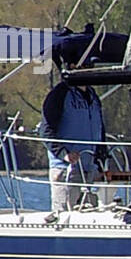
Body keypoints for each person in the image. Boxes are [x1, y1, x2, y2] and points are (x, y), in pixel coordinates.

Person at [40, 78, 108, 212]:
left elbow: (100, 129)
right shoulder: (60, 94)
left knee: (91, 215)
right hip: (67, 170)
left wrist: (101, 160)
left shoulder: (93, 96)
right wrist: (64, 154)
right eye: (85, 66)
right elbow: (45, 131)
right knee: (64, 214)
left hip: (90, 169)